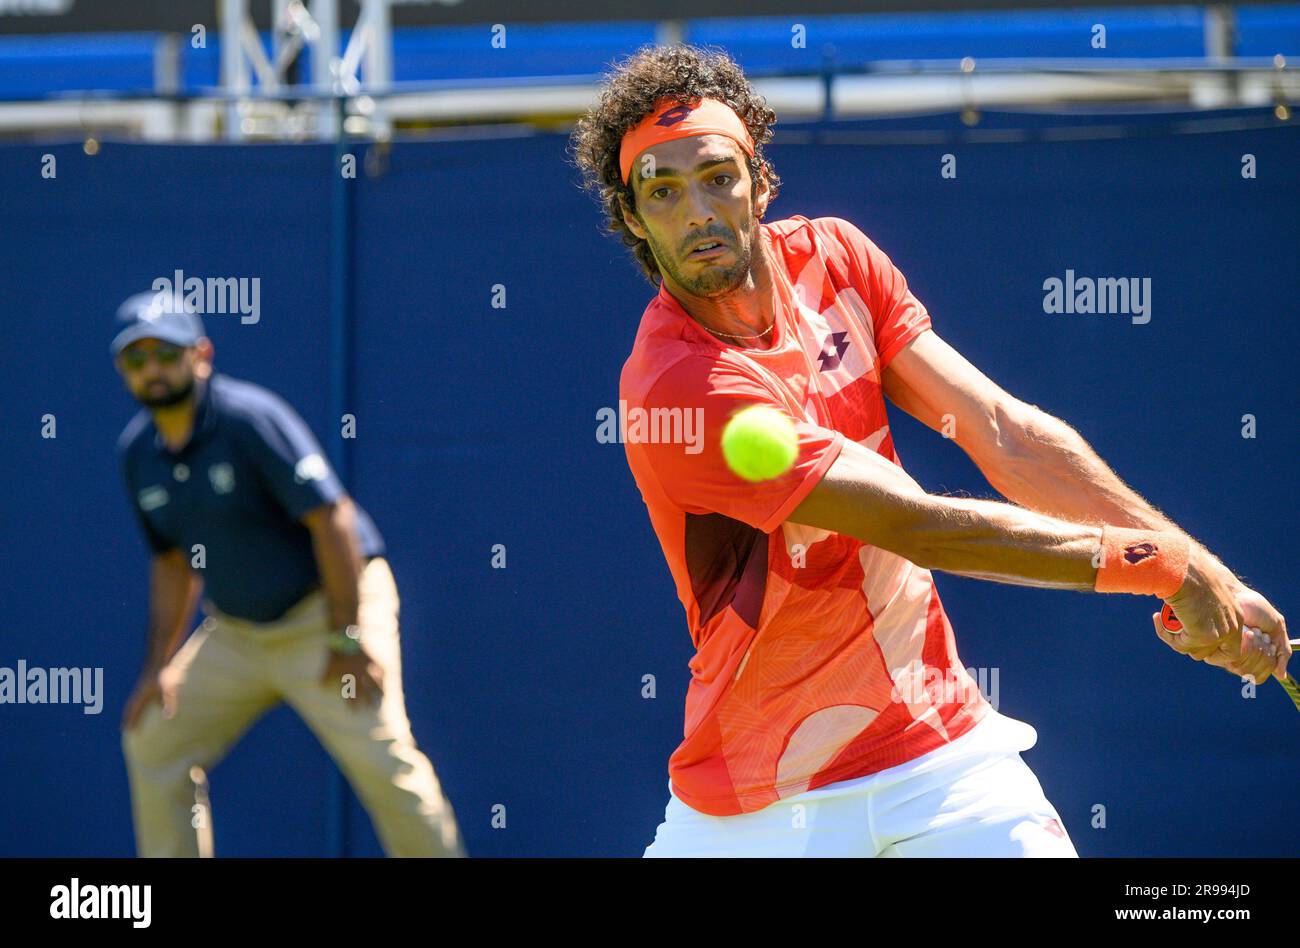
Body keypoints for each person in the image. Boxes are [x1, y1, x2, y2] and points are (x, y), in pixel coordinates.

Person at [569, 45, 1289, 857]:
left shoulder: (836, 258)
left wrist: (1214, 578)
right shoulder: (676, 385)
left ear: (759, 179)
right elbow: (918, 528)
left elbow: (1003, 432)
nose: (696, 211)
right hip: (759, 809)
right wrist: (1163, 568)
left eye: (716, 177)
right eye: (662, 192)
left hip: (942, 759)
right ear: (632, 216)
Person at [113, 291, 463, 857]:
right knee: (153, 739)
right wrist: (158, 669)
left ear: (201, 354)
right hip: (238, 633)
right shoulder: (137, 454)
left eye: (166, 353)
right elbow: (173, 563)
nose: (152, 369)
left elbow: (334, 520)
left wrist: (346, 636)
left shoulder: (249, 418)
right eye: (136, 358)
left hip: (329, 616)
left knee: (385, 762)